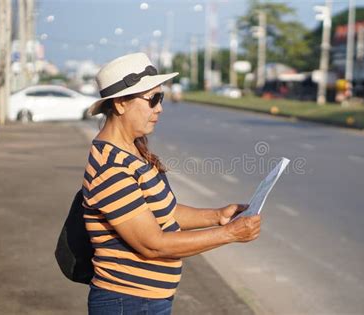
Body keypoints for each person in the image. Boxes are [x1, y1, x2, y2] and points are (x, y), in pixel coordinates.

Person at [82, 52, 261, 315]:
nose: (160, 108)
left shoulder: (131, 150)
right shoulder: (111, 167)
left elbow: (166, 212)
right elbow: (152, 244)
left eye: (161, 98)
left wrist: (218, 216)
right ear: (120, 104)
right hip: (128, 302)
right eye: (153, 99)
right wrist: (231, 234)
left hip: (145, 301)